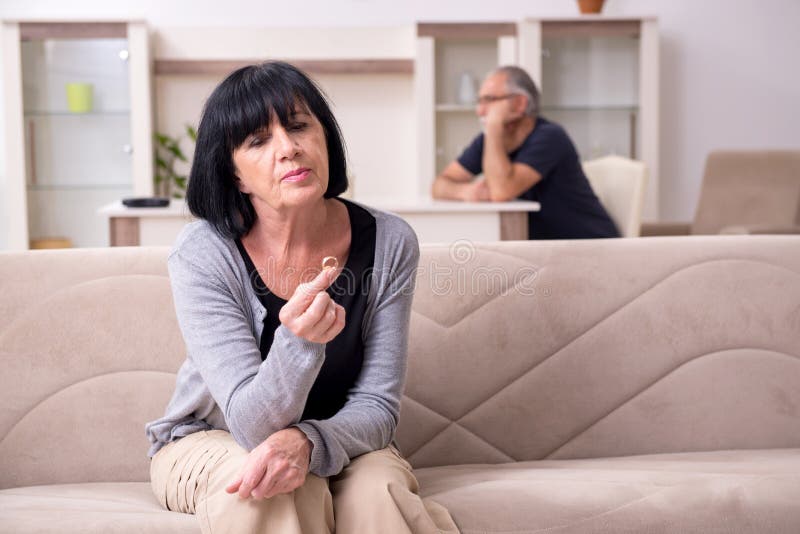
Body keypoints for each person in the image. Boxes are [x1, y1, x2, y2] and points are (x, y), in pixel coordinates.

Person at [145, 61, 459, 534]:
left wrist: (310, 442)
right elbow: (251, 427)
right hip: (212, 438)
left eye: (297, 127)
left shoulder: (390, 241)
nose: (288, 148)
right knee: (268, 485)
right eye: (258, 141)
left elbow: (378, 406)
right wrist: (300, 343)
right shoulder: (204, 252)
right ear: (235, 176)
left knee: (380, 493)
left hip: (342, 438)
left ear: (324, 138)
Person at [431, 65, 620, 240]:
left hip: (590, 246)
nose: (480, 111)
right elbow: (438, 185)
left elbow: (501, 192)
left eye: (489, 100)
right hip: (544, 249)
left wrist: (494, 126)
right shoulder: (487, 141)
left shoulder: (550, 136)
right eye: (479, 101)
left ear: (520, 103)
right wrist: (466, 191)